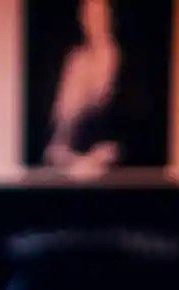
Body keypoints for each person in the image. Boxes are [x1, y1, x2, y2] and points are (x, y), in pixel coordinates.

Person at [41, 0, 122, 180]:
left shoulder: (117, 60)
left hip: (112, 155)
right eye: (88, 16)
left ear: (111, 18)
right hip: (74, 150)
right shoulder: (78, 60)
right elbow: (63, 122)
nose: (94, 22)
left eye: (100, 15)